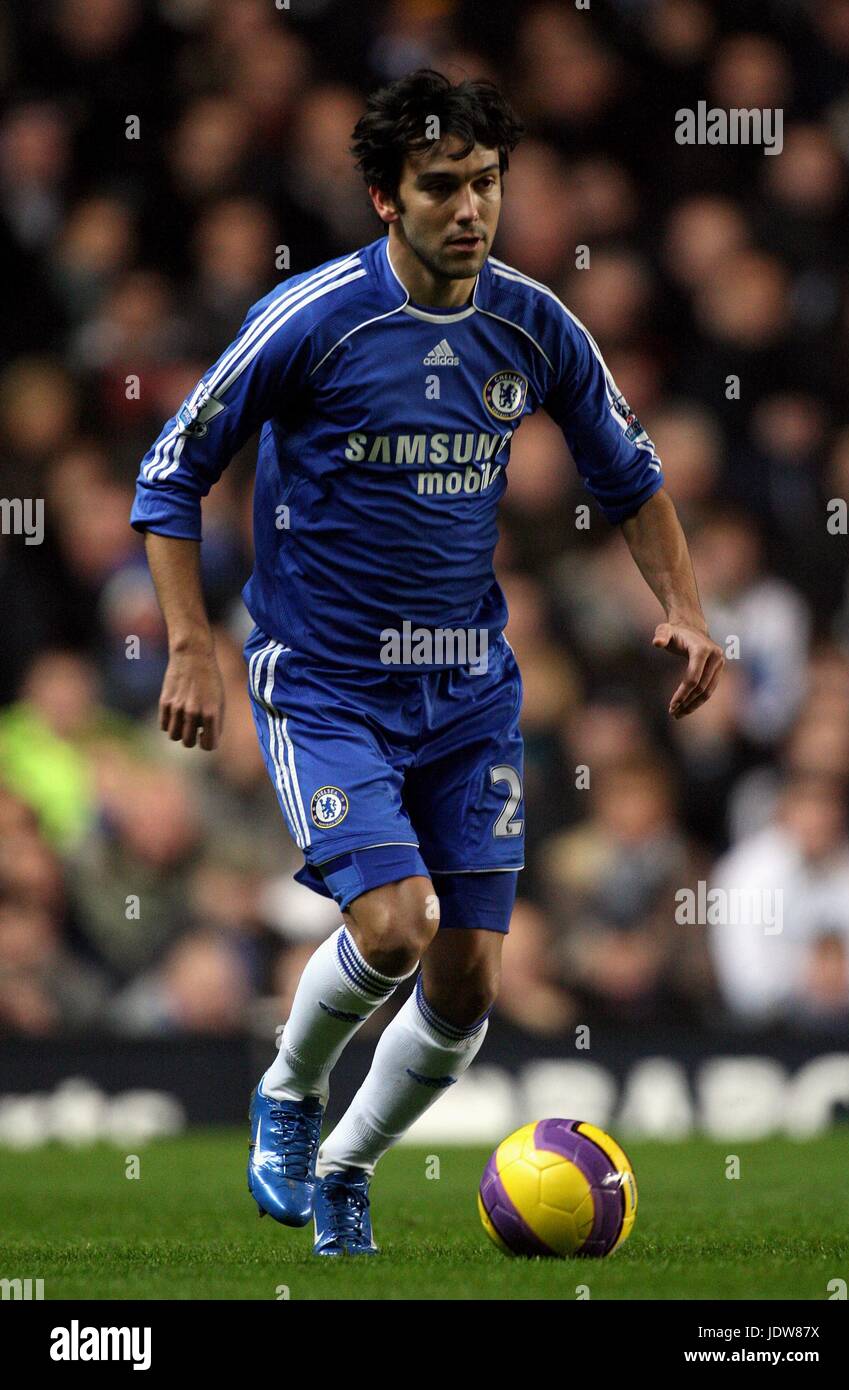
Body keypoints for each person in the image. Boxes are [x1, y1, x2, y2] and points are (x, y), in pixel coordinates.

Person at [130, 69, 723, 1255]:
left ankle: (348, 1164)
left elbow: (631, 479)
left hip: (468, 688)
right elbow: (169, 473)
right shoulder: (312, 318)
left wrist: (688, 610)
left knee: (464, 985)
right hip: (325, 681)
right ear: (382, 198)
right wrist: (191, 647)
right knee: (393, 926)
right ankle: (291, 1091)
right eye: (441, 186)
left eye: (487, 183)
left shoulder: (533, 321)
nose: (470, 208)